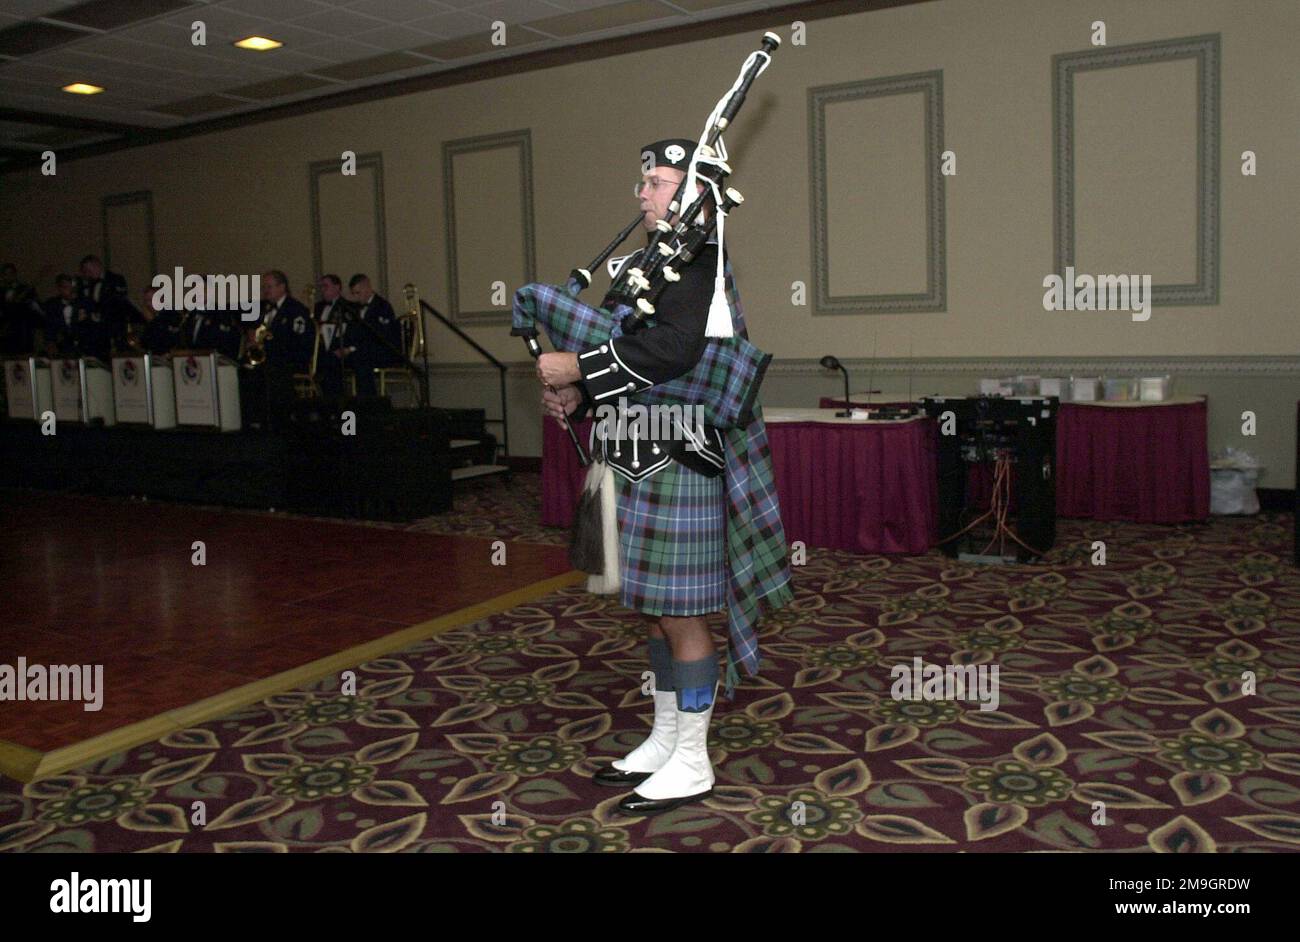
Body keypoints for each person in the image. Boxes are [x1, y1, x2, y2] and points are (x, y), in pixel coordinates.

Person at [535, 139, 792, 816]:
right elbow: (626, 355)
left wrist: (577, 370)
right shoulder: (646, 268)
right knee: (650, 608)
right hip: (636, 452)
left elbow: (675, 352)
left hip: (681, 458)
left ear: (693, 196)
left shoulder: (701, 260)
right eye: (644, 181)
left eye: (657, 182)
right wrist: (580, 396)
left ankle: (693, 760)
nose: (642, 193)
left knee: (682, 613)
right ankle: (666, 736)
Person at [340, 274, 405, 397]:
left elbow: (380, 337)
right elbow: (351, 333)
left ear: (367, 288)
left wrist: (352, 349)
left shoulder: (382, 306)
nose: (355, 297)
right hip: (361, 351)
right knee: (332, 360)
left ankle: (369, 401)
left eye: (358, 293)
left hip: (382, 351)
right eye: (353, 294)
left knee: (361, 360)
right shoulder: (355, 308)